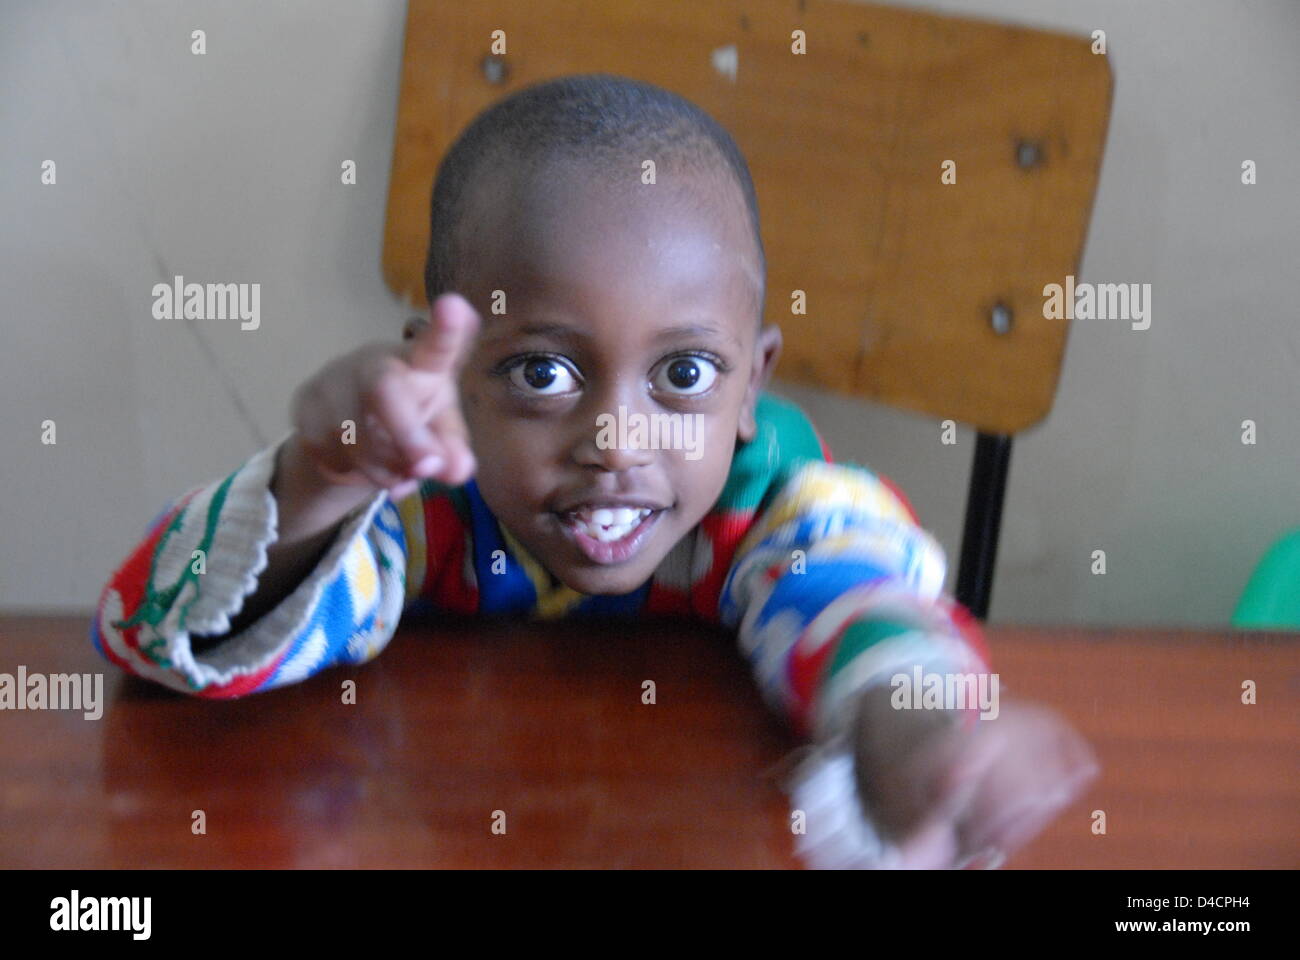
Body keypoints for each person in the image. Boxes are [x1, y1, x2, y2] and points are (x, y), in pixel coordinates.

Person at [92, 73, 1097, 869]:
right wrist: (329, 475)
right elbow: (161, 636)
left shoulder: (783, 509)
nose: (616, 440)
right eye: (541, 371)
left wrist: (915, 747)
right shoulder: (425, 507)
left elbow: (863, 611)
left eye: (685, 374)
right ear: (447, 378)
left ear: (753, 384)